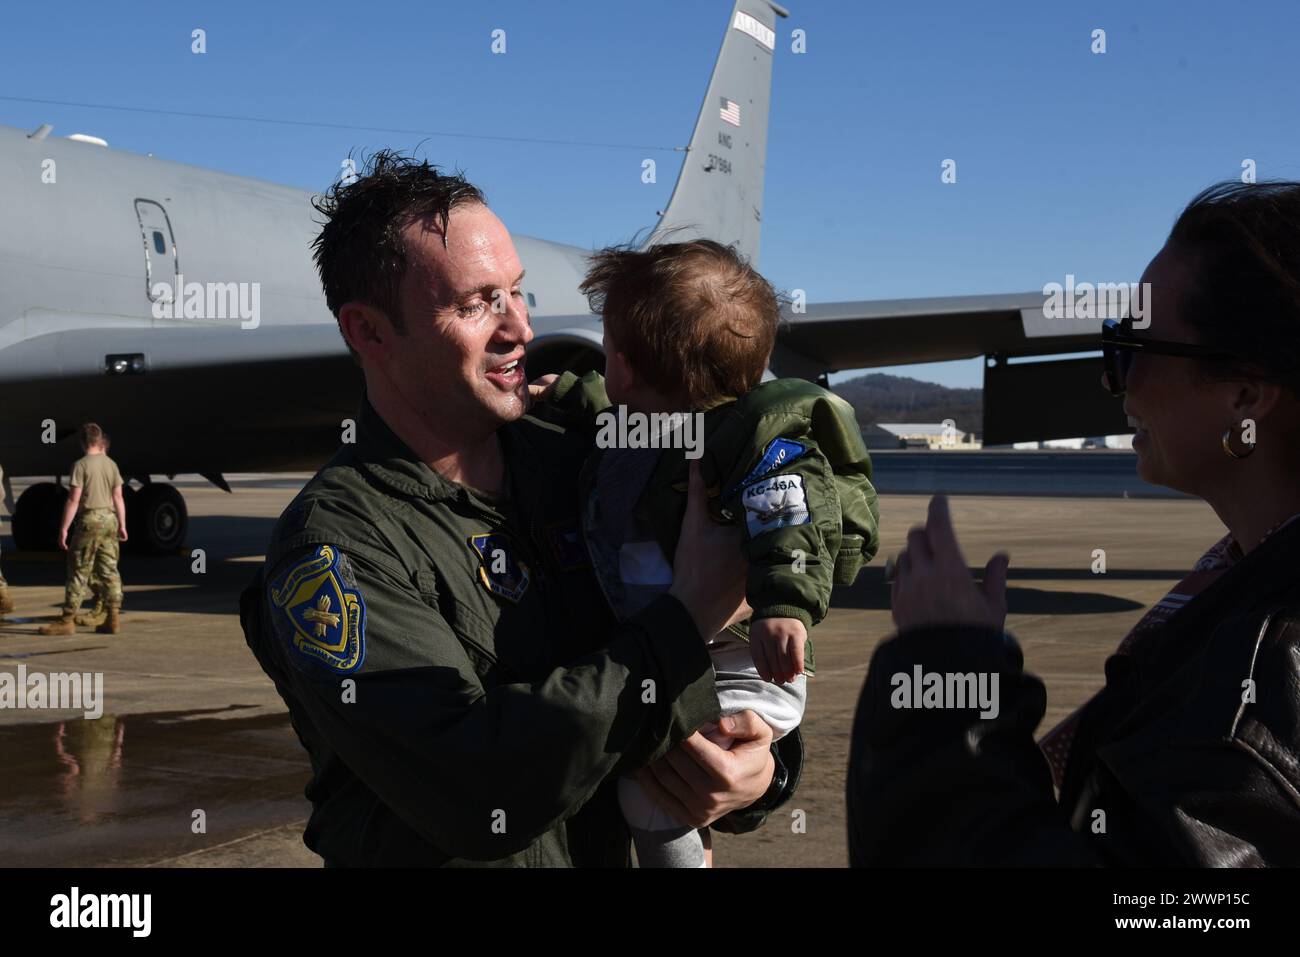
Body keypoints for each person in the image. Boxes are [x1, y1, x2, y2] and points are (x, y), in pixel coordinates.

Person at [240, 152, 801, 867]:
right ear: (369, 332)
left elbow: (722, 680)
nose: (520, 330)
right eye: (475, 304)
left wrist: (761, 767)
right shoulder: (337, 547)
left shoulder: (590, 461)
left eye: (516, 292)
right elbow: (472, 789)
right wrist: (683, 621)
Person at [847, 181, 1300, 866]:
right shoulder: (1239, 593)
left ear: (1245, 392)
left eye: (1134, 346)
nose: (1112, 377)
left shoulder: (1272, 668)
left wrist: (945, 677)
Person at [533, 239, 880, 866]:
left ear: (628, 368)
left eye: (608, 353)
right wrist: (568, 392)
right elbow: (603, 415)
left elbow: (789, 513)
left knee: (656, 795)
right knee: (660, 786)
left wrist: (783, 604)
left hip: (741, 666)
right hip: (681, 653)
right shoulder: (646, 428)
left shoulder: (746, 443)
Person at [39, 423, 128, 636]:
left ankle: (67, 620)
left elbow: (73, 499)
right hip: (109, 519)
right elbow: (118, 497)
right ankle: (113, 617)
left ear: (83, 442)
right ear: (100, 442)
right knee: (109, 570)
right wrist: (123, 525)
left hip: (89, 520)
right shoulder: (111, 464)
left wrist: (64, 528)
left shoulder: (80, 465)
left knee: (79, 570)